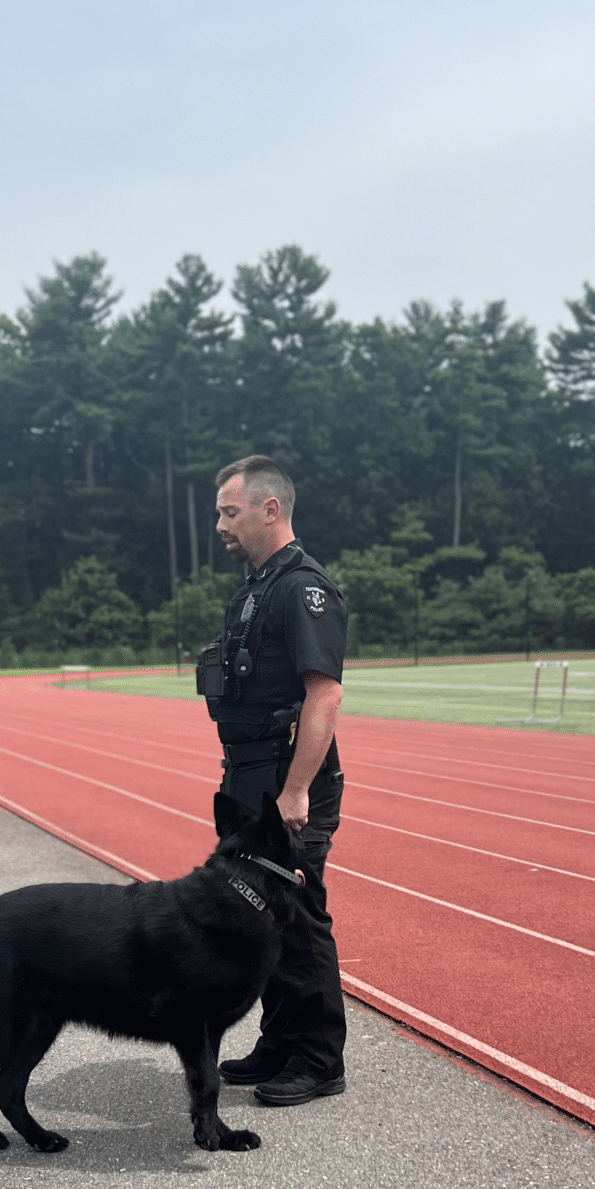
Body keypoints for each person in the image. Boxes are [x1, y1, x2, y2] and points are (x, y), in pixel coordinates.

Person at [199, 456, 348, 1106]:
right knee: (260, 918)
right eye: (218, 513)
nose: (219, 526)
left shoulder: (302, 588)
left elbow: (325, 696)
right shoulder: (259, 586)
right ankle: (281, 1041)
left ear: (270, 510)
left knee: (298, 918)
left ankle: (318, 1059)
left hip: (287, 784)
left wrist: (295, 793)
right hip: (250, 778)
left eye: (229, 512)